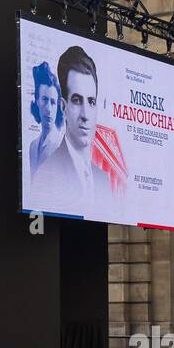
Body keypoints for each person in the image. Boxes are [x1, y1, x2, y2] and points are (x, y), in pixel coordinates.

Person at [30, 44, 113, 218]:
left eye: (91, 101)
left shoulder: (103, 180)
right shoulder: (46, 174)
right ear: (63, 106)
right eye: (76, 100)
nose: (85, 115)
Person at [27, 59, 64, 179]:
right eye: (44, 99)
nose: (48, 108)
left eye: (53, 102)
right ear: (37, 100)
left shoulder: (59, 146)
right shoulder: (32, 146)